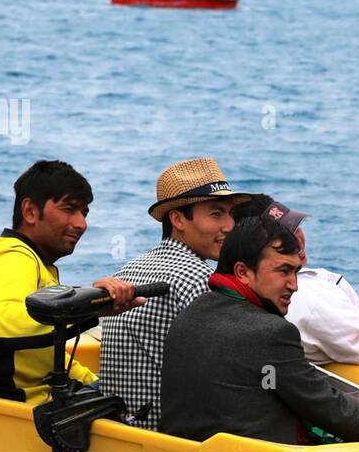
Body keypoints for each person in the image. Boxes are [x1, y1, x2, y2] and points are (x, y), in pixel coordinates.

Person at [160, 216, 359, 444]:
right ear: (242, 272)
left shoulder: (191, 313)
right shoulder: (271, 332)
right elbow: (321, 404)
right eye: (283, 271)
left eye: (296, 272)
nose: (294, 285)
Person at [0, 160, 138, 405]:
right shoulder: (13, 257)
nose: (81, 224)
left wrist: (105, 387)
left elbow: (46, 354)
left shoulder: (38, 265)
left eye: (84, 213)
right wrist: (89, 310)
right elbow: (2, 324)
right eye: (69, 209)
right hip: (10, 410)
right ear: (30, 211)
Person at [97, 158, 250, 431]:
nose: (230, 226)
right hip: (171, 437)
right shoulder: (200, 280)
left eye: (230, 214)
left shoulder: (128, 270)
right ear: (178, 219)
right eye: (216, 214)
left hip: (122, 428)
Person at [232, 194, 359, 371]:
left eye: (296, 228)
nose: (298, 241)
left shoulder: (262, 293)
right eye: (285, 238)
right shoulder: (308, 300)